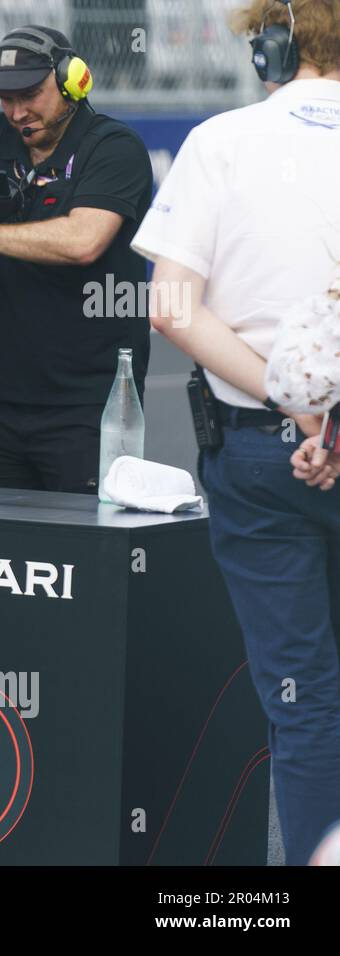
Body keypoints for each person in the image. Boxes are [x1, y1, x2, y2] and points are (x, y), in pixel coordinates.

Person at [131, 0, 340, 865]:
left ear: (275, 44)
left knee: (304, 706)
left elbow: (172, 308)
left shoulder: (223, 140)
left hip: (258, 453)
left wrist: (300, 403)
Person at [0, 25, 153, 498]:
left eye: (31, 95)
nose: (18, 112)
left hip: (90, 405)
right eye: (6, 98)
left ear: (72, 81)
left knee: (86, 555)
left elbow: (83, 241)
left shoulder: (115, 147)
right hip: (1, 402)